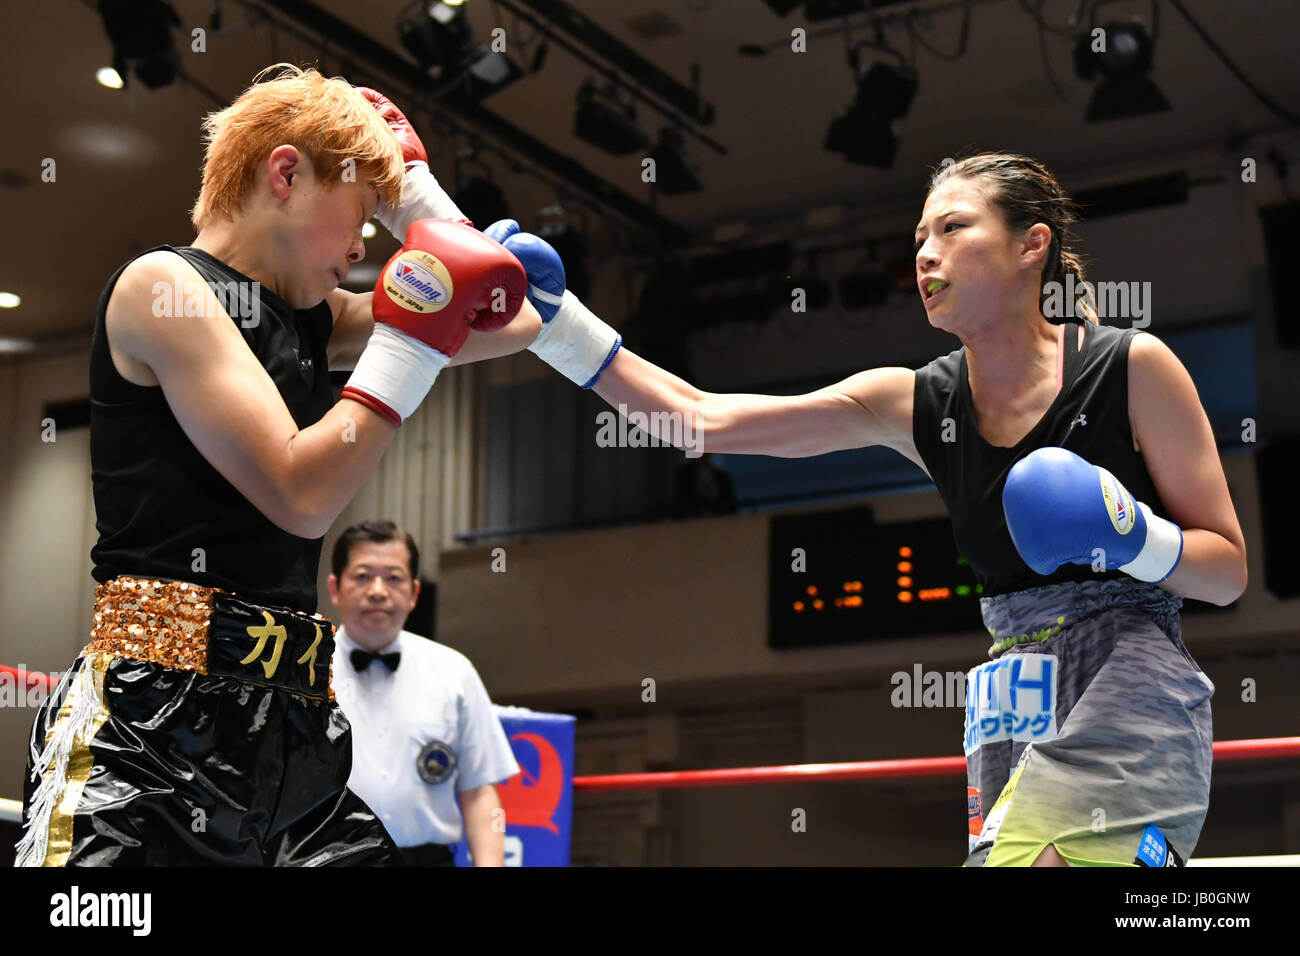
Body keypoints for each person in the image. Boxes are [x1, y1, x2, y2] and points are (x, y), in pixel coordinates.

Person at [483, 152, 1248, 867]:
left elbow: (1228, 571)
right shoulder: (914, 400)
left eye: (952, 227)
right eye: (918, 236)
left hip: (1132, 672)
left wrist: (1131, 536)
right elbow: (699, 418)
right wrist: (561, 327)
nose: (924, 253)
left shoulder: (1129, 367)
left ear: (1031, 246)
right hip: (1012, 683)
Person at [16, 65, 544, 867]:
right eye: (364, 213)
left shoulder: (314, 317)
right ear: (287, 173)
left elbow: (510, 322)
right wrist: (414, 336)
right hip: (149, 727)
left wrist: (425, 208)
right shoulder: (162, 289)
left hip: (294, 738)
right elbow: (300, 494)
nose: (368, 243)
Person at [326, 520, 519, 867]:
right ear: (335, 588)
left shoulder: (454, 672)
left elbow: (479, 790)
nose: (378, 590)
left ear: (414, 593)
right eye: (363, 575)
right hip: (328, 859)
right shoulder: (304, 672)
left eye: (394, 578)